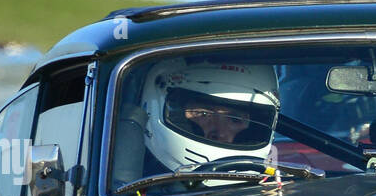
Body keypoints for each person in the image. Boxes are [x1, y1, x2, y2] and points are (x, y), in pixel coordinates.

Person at [115, 59, 281, 187]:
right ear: (152, 107)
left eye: (236, 119)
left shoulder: (281, 191)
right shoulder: (121, 188)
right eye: (203, 113)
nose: (220, 133)